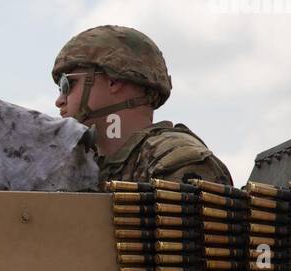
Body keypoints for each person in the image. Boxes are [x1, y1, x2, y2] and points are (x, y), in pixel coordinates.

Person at [52, 25, 233, 187]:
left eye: (68, 84)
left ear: (114, 81)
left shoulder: (175, 162)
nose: (59, 100)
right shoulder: (81, 167)